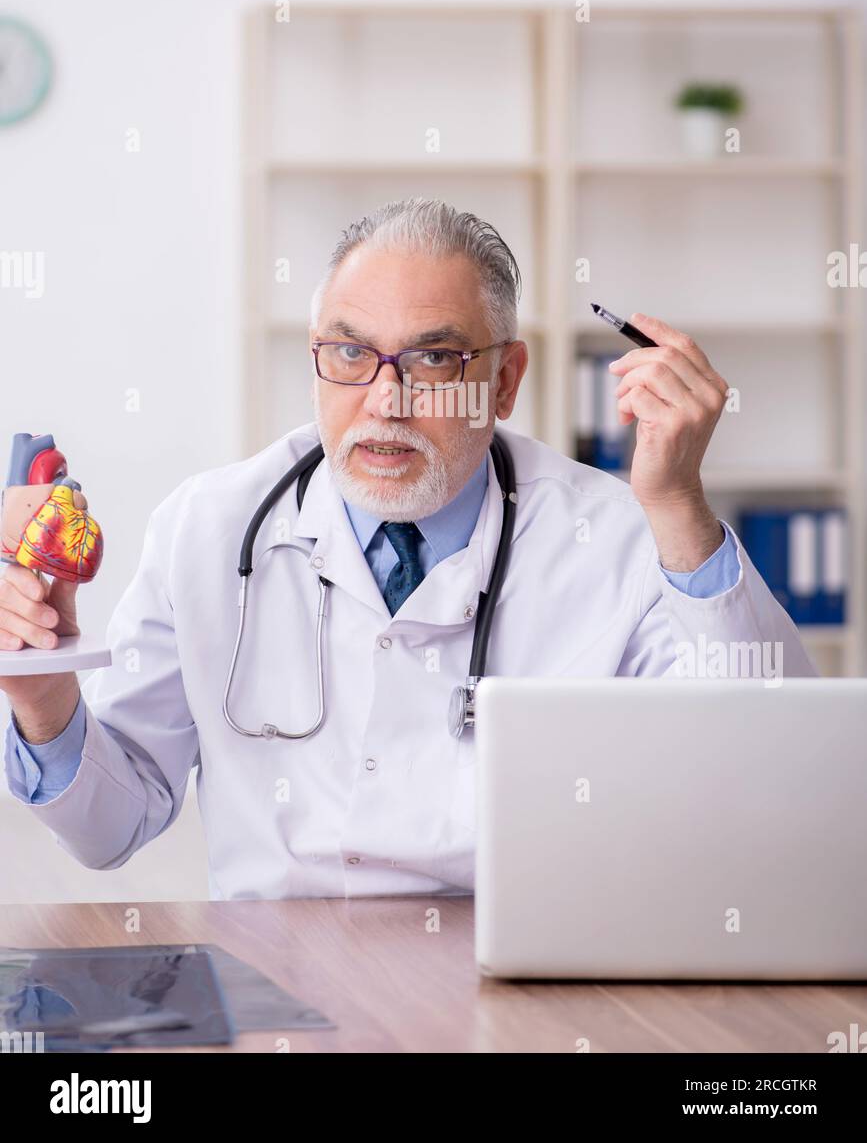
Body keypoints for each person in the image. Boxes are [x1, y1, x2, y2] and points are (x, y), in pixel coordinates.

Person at [1, 197, 815, 899]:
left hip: (517, 988)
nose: (384, 401)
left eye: (432, 358)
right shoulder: (208, 528)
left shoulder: (612, 537)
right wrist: (41, 700)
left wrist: (676, 504)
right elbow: (111, 830)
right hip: (275, 991)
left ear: (502, 380)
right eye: (350, 353)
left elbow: (764, 777)